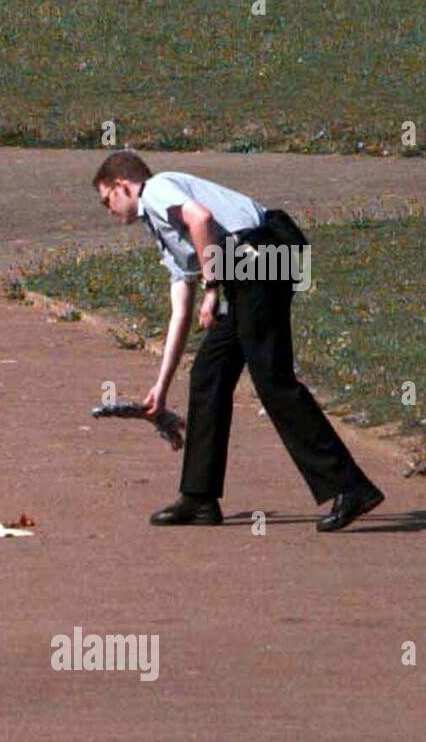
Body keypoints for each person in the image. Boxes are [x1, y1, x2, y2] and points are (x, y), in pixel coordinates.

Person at [92, 150, 383, 531]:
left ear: (121, 186)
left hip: (261, 258)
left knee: (273, 380)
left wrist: (213, 286)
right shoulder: (160, 224)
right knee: (208, 374)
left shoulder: (157, 189)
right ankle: (199, 498)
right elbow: (181, 309)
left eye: (106, 200)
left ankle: (351, 486)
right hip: (244, 270)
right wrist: (159, 390)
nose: (108, 210)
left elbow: (202, 219)